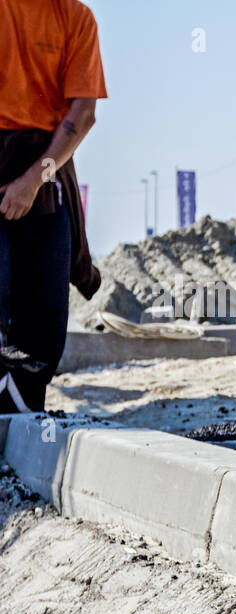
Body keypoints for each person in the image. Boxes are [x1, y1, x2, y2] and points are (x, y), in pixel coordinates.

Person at [0, 0, 106, 414]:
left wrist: (32, 180)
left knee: (45, 318)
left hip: (45, 164)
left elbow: (84, 112)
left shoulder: (74, 17)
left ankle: (24, 415)